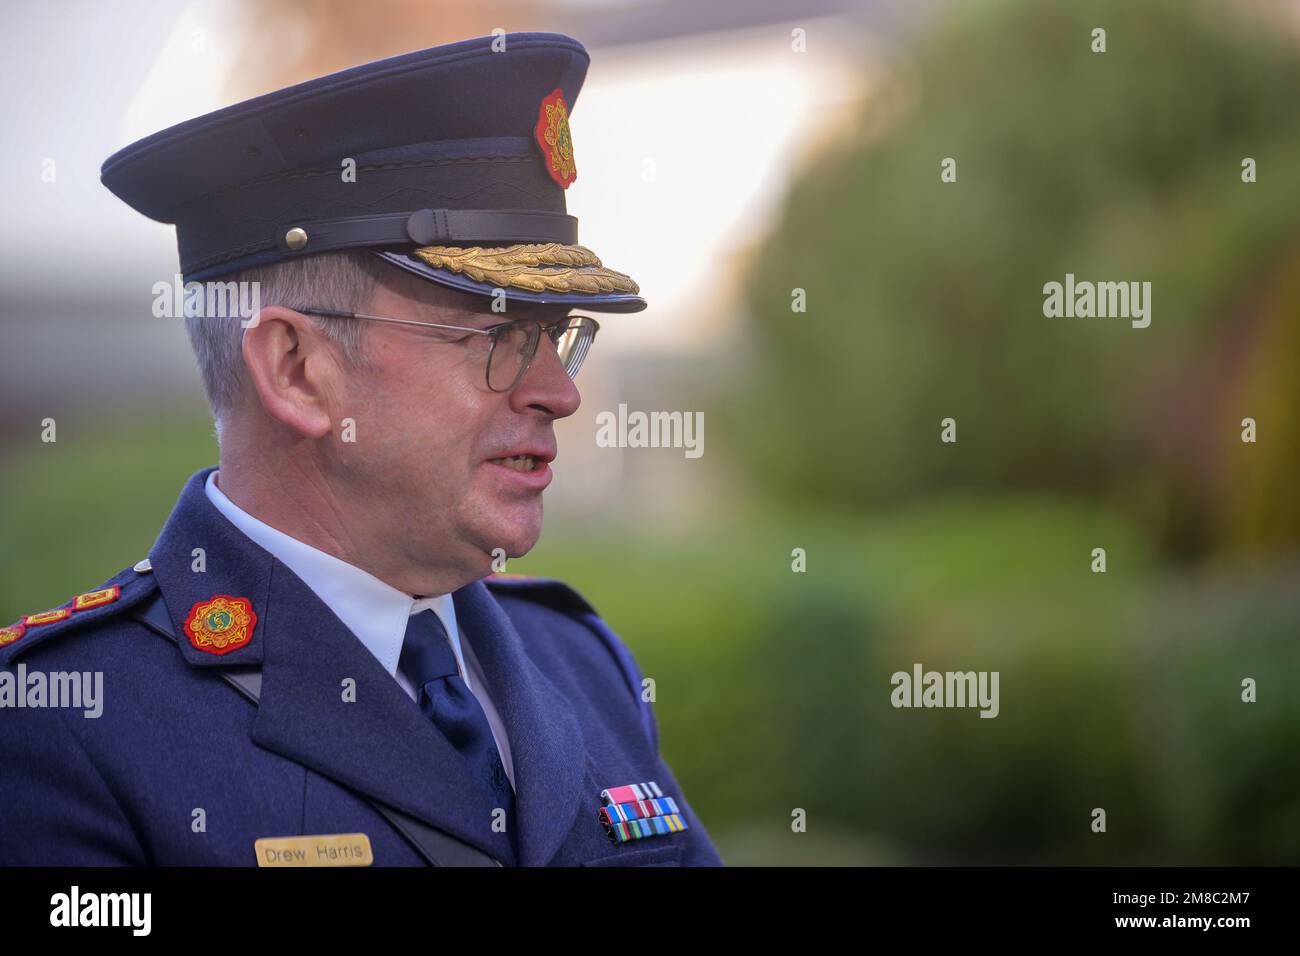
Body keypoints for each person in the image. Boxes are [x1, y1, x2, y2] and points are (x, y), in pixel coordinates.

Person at [0, 31, 723, 867]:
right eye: (497, 336)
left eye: (555, 335)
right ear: (297, 370)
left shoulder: (574, 657)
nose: (559, 394)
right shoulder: (62, 725)